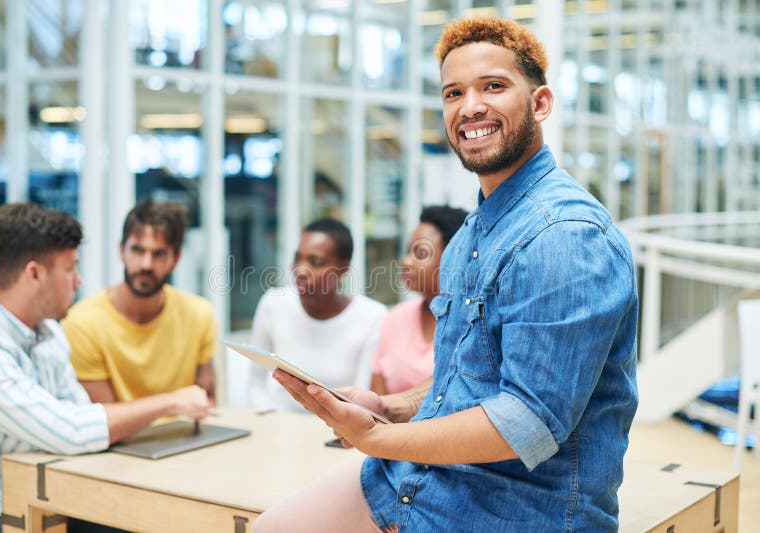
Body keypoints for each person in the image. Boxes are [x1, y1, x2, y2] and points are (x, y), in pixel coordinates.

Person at [255, 16, 639, 532]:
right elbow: (469, 375)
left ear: (541, 104)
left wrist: (376, 437)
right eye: (453, 92)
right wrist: (387, 408)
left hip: (521, 509)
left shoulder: (565, 236)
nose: (470, 106)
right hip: (430, 480)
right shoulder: (473, 233)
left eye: (494, 87)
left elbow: (527, 423)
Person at [0, 203, 209, 533]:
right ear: (34, 273)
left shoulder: (49, 334)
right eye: (70, 269)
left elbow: (85, 418)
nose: (78, 280)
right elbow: (72, 431)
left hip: (57, 495)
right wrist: (171, 401)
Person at [62, 200, 217, 404]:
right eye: (137, 250)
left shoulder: (199, 314)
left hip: (189, 434)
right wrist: (170, 403)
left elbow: (209, 403)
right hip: (121, 437)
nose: (146, 264)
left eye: (159, 254)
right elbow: (105, 423)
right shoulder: (82, 323)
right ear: (121, 251)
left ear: (176, 259)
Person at [248, 218, 387, 413]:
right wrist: (270, 420)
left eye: (316, 262)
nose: (300, 270)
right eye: (298, 258)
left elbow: (361, 396)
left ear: (343, 268)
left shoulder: (372, 316)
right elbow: (256, 382)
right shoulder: (273, 303)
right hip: (278, 424)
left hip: (338, 431)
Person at [370, 205, 467, 395]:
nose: (405, 262)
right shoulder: (396, 318)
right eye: (407, 252)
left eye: (420, 253)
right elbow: (377, 401)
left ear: (454, 257)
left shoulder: (472, 323)